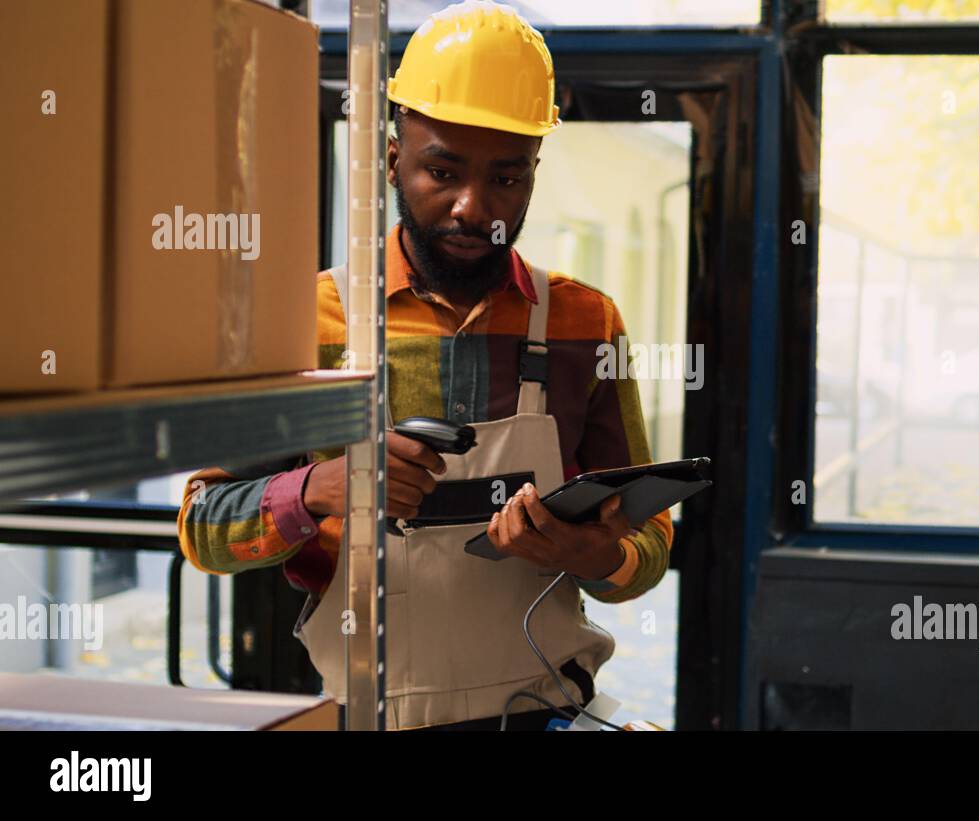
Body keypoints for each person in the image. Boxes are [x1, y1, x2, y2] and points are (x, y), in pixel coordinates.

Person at [176, 0, 673, 731]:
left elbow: (652, 539)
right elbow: (202, 529)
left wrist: (593, 553)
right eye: (442, 170)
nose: (474, 207)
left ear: (535, 170)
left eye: (507, 178)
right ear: (389, 158)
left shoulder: (585, 324)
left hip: (548, 715)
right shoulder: (300, 322)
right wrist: (320, 488)